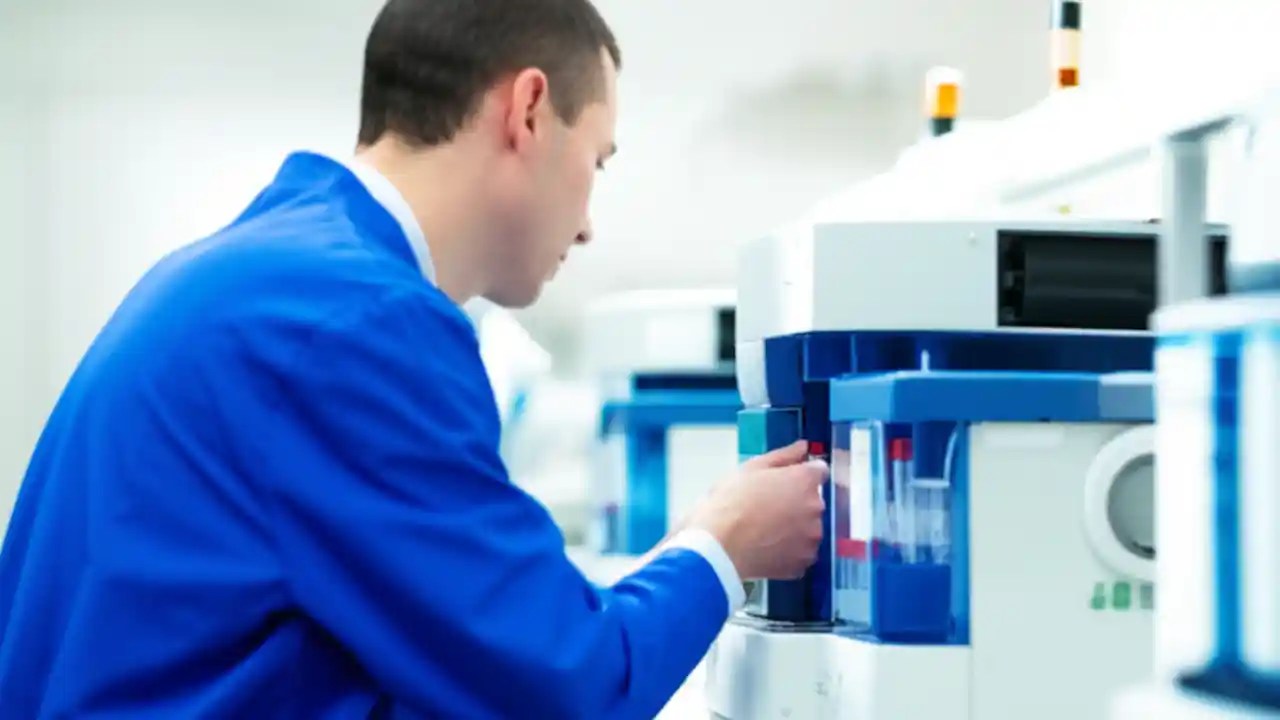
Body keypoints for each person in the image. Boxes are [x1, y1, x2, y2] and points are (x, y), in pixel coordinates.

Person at [0, 0, 827, 717]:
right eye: (597, 162)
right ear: (530, 110)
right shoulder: (361, 323)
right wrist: (725, 549)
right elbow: (564, 687)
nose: (587, 226)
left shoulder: (264, 277)